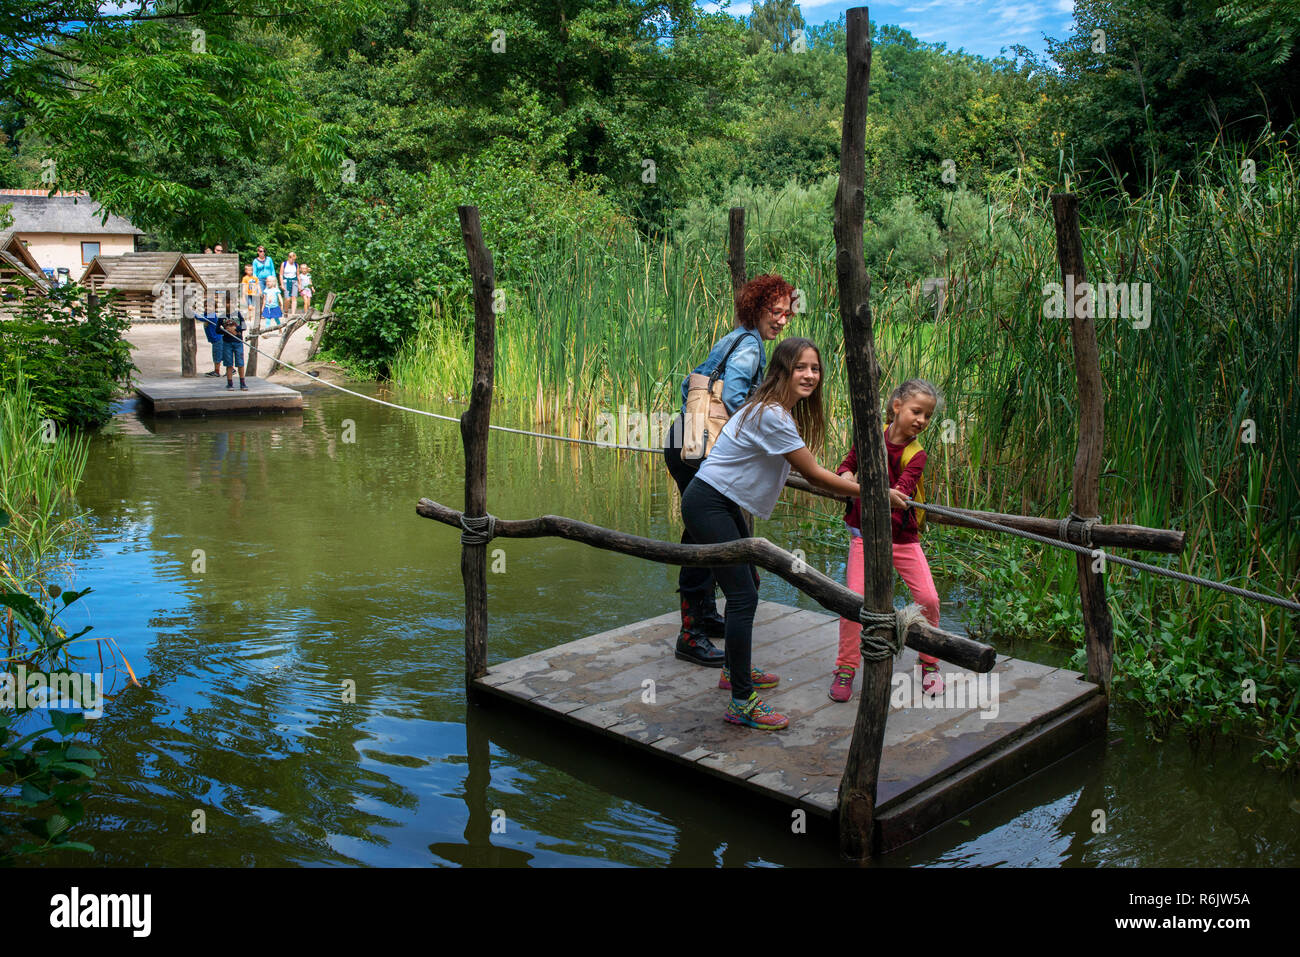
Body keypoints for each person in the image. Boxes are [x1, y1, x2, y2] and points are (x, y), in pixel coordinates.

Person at [681, 337, 860, 730]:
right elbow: (814, 473)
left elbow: (800, 467)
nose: (810, 375)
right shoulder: (773, 415)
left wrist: (845, 480)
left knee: (749, 585)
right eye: (801, 368)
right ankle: (742, 702)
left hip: (721, 502)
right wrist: (874, 492)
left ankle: (733, 671)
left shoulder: (774, 412)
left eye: (815, 368)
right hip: (709, 502)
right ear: (782, 371)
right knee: (743, 596)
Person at [663, 274, 796, 668]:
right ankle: (691, 635)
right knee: (705, 540)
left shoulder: (733, 337)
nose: (783, 320)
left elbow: (690, 385)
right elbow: (737, 396)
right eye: (776, 312)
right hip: (699, 449)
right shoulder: (750, 347)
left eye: (788, 314)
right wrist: (766, 435)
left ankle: (701, 619)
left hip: (683, 439)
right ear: (756, 309)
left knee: (700, 537)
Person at [829, 379, 944, 703]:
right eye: (916, 411)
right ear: (897, 406)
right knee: (855, 601)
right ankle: (846, 667)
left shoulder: (916, 454)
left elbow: (900, 494)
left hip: (902, 538)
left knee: (930, 599)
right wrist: (847, 476)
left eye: (928, 416)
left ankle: (929, 663)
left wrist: (863, 489)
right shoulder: (871, 435)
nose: (921, 421)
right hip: (865, 535)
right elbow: (849, 463)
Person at [220, 312, 248, 391]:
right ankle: (230, 383)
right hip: (227, 343)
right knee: (229, 363)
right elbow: (217, 330)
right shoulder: (222, 316)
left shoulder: (238, 314)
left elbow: (244, 326)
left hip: (238, 342)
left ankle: (242, 383)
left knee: (240, 363)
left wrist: (235, 329)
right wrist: (226, 330)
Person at [200, 305, 224, 377]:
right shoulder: (207, 315)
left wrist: (193, 314)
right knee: (220, 355)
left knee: (217, 355)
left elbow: (200, 318)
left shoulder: (212, 316)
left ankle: (217, 372)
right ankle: (230, 369)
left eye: (210, 307)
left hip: (218, 339)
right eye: (206, 306)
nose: (207, 308)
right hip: (215, 340)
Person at [280, 251, 300, 318]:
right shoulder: (284, 264)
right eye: (291, 259)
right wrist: (282, 284)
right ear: (289, 257)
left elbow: (298, 275)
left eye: (294, 259)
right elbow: (281, 274)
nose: (293, 260)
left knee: (294, 297)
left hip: (294, 281)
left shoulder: (296, 265)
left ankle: (293, 313)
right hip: (286, 281)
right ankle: (286, 311)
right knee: (287, 299)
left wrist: (299, 284)